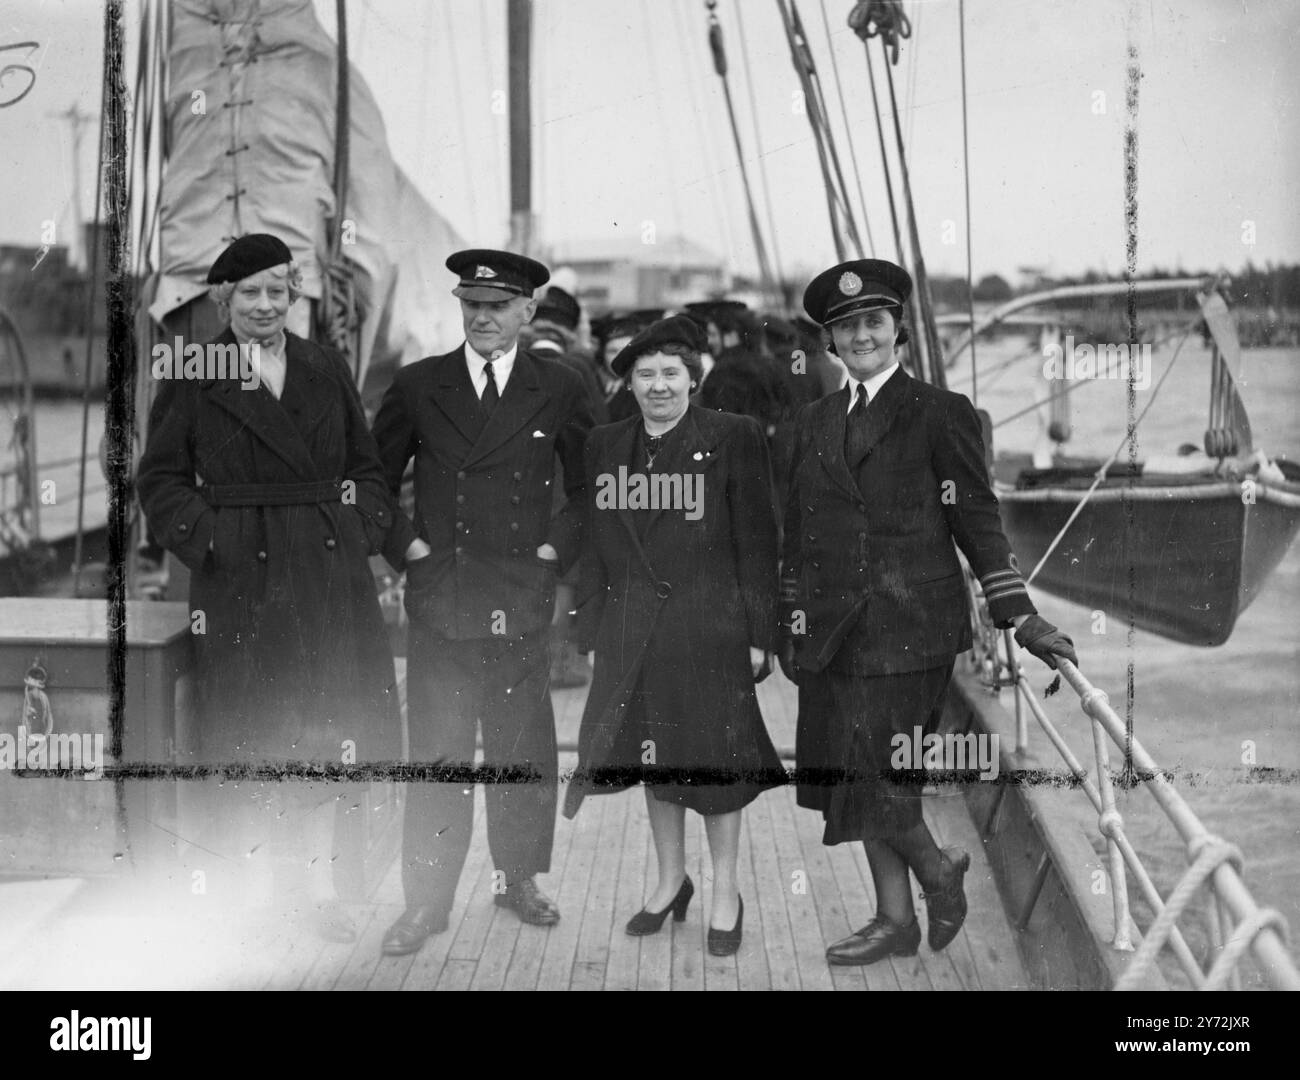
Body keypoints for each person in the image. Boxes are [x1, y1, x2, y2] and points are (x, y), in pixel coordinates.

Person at [780, 258, 1077, 966]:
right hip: (831, 635)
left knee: (879, 774)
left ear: (898, 331)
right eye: (846, 327)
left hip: (910, 630)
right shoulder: (810, 423)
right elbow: (794, 537)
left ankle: (940, 874)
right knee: (857, 780)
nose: (861, 337)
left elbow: (978, 520)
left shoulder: (943, 415)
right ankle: (894, 918)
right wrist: (785, 627)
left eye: (873, 323)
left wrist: (1020, 615)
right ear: (829, 341)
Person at [136, 233, 400, 943]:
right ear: (223, 300)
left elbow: (367, 465)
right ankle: (245, 896)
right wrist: (212, 540)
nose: (263, 305)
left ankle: (316, 890)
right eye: (248, 293)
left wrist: (361, 530)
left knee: (324, 729)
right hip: (241, 581)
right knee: (247, 731)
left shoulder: (324, 364)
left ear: (293, 296)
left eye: (276, 291)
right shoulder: (196, 369)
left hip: (325, 575)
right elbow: (159, 481)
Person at [370, 247, 595, 956]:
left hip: (521, 599)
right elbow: (371, 481)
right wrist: (405, 546)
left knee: (520, 750)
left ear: (528, 311)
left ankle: (518, 880)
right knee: (437, 754)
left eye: (498, 307)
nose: (483, 318)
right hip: (442, 601)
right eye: (472, 305)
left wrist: (557, 548)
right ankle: (426, 902)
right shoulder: (418, 386)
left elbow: (591, 485)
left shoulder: (560, 388)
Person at [564, 314, 784, 957]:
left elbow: (757, 537)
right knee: (654, 760)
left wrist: (757, 633)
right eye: (646, 375)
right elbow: (599, 543)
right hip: (635, 628)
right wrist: (594, 623)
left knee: (715, 766)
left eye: (671, 374)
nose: (659, 386)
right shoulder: (606, 445)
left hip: (709, 627)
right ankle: (669, 882)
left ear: (695, 378)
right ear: (629, 384)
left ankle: (725, 893)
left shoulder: (733, 436)